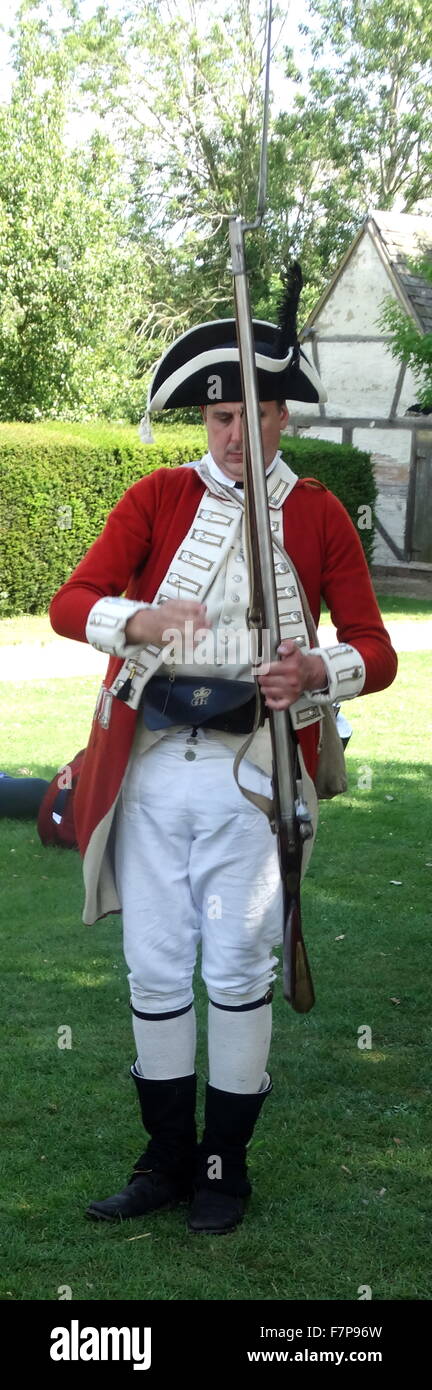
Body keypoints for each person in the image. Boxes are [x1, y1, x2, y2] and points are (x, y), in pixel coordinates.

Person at [49, 276, 397, 1235]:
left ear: (284, 416)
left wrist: (312, 676)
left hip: (257, 774)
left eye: (253, 414)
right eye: (218, 415)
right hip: (155, 770)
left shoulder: (319, 513)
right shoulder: (156, 497)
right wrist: (140, 618)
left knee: (240, 966)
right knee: (156, 968)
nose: (234, 434)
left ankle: (222, 1168)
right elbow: (71, 602)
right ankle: (161, 1162)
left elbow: (377, 648)